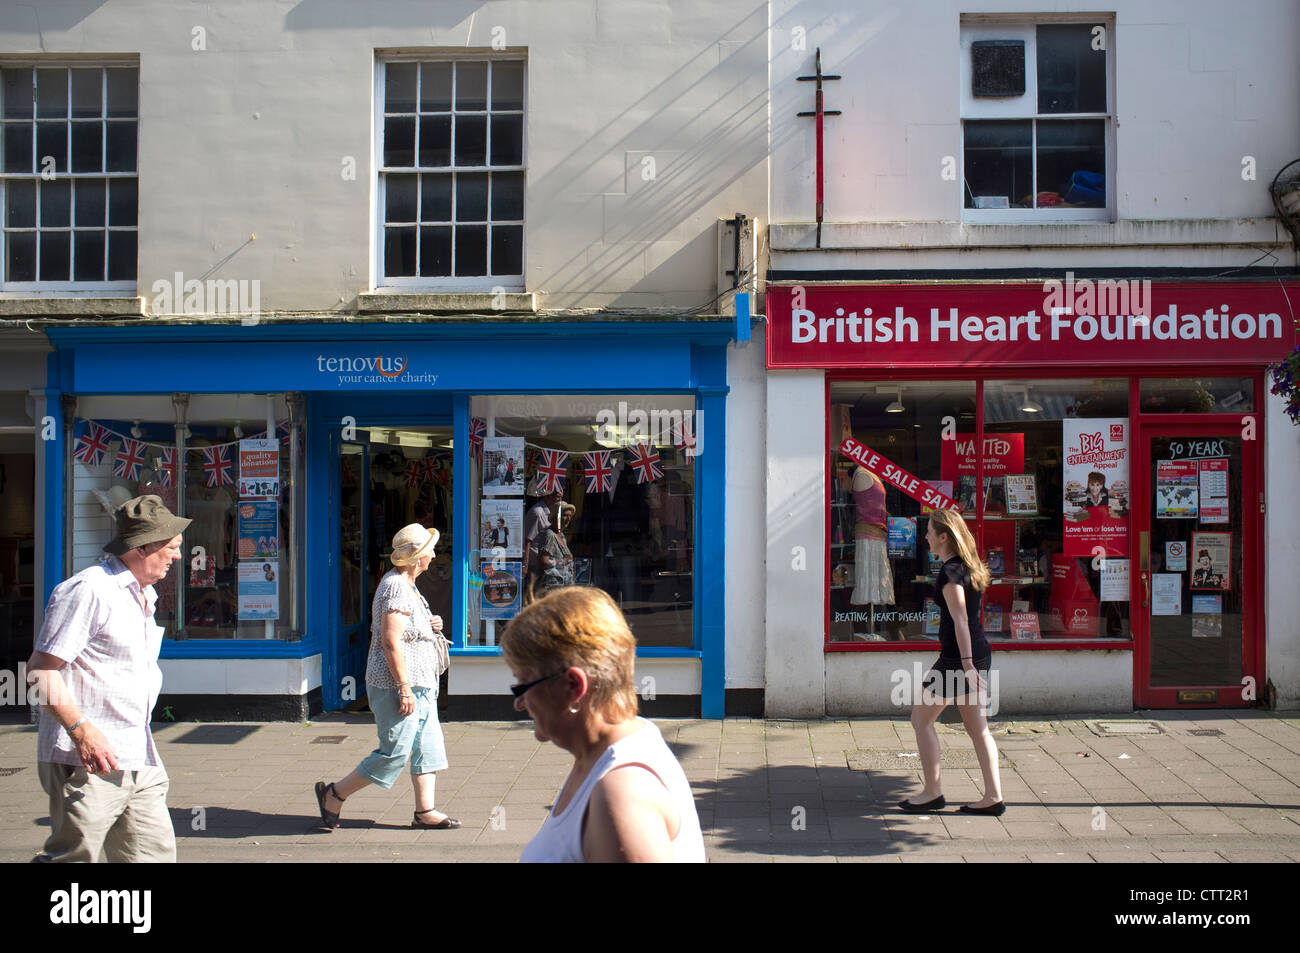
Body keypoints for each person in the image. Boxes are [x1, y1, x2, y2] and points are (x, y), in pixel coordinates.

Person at [27, 495, 189, 862]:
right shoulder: (90, 591)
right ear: (142, 547)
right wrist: (83, 732)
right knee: (72, 857)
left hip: (137, 752)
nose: (177, 556)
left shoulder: (142, 593)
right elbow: (40, 672)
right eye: (172, 547)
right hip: (88, 759)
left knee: (152, 855)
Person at [504, 587, 705, 862]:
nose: (519, 702)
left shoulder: (622, 793)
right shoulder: (605, 751)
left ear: (574, 686)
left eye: (523, 685)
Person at [315, 523, 458, 830]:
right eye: (430, 550)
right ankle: (334, 794)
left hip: (422, 683)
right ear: (418, 556)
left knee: (427, 747)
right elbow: (390, 641)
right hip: (398, 685)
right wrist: (404, 688)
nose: (434, 555)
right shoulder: (395, 585)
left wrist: (431, 622)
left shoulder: (409, 585)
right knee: (394, 752)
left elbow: (405, 629)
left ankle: (425, 811)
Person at [899, 508, 1004, 816]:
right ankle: (993, 796)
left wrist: (967, 666)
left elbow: (959, 620)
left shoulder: (950, 572)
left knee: (921, 720)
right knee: (978, 729)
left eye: (930, 532)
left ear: (944, 536)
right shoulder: (967, 567)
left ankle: (932, 792)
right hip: (975, 653)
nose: (926, 537)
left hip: (958, 660)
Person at [533, 502, 576, 597]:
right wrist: (563, 561)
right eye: (565, 515)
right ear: (556, 517)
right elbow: (544, 561)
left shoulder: (561, 535)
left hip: (562, 586)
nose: (568, 519)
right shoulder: (550, 534)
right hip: (552, 588)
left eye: (570, 516)